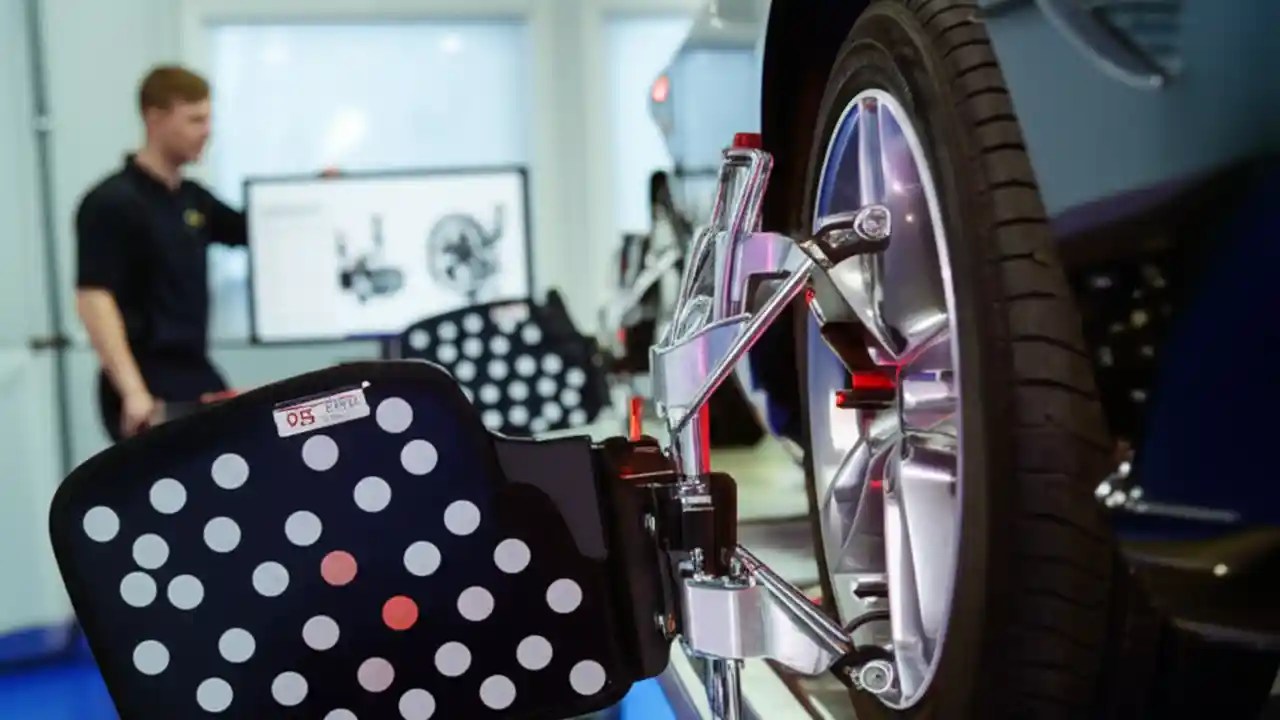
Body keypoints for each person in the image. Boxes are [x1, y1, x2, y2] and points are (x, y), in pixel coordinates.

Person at [75, 66, 246, 442]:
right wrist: (133, 392)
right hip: (147, 384)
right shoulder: (112, 202)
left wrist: (314, 194)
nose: (207, 131)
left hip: (194, 372)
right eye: (195, 119)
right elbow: (93, 298)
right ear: (155, 118)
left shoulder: (193, 201)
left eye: (209, 119)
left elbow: (253, 230)